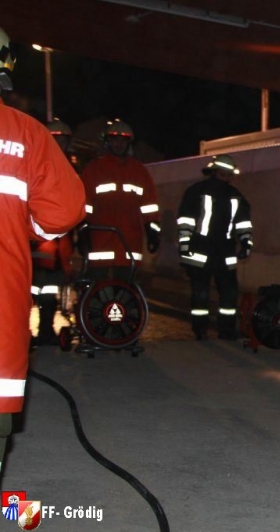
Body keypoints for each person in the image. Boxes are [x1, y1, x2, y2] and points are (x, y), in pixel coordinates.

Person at [0, 26, 86, 472]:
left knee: (52, 296)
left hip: (55, 263)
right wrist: (25, 226)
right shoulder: (26, 134)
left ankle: (53, 331)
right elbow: (63, 210)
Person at [177, 154, 254, 340]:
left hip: (225, 251)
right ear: (214, 172)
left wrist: (246, 242)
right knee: (200, 293)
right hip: (199, 249)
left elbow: (243, 223)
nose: (226, 177)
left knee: (229, 293)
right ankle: (200, 330)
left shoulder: (235, 196)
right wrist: (185, 243)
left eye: (229, 174)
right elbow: (186, 220)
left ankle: (226, 330)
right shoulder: (196, 192)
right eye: (223, 173)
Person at [80, 118, 160, 280]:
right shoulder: (94, 169)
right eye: (114, 140)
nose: (119, 144)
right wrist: (83, 228)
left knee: (126, 289)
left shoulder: (139, 171)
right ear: (107, 142)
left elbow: (149, 204)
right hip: (100, 239)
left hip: (128, 241)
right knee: (97, 288)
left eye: (123, 140)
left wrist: (152, 230)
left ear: (129, 143)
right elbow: (84, 202)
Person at [30, 119, 79, 346]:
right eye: (54, 139)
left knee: (50, 290)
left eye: (62, 140)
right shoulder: (33, 163)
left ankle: (46, 330)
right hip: (35, 239)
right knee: (28, 290)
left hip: (59, 243)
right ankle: (22, 333)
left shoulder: (71, 169)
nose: (58, 144)